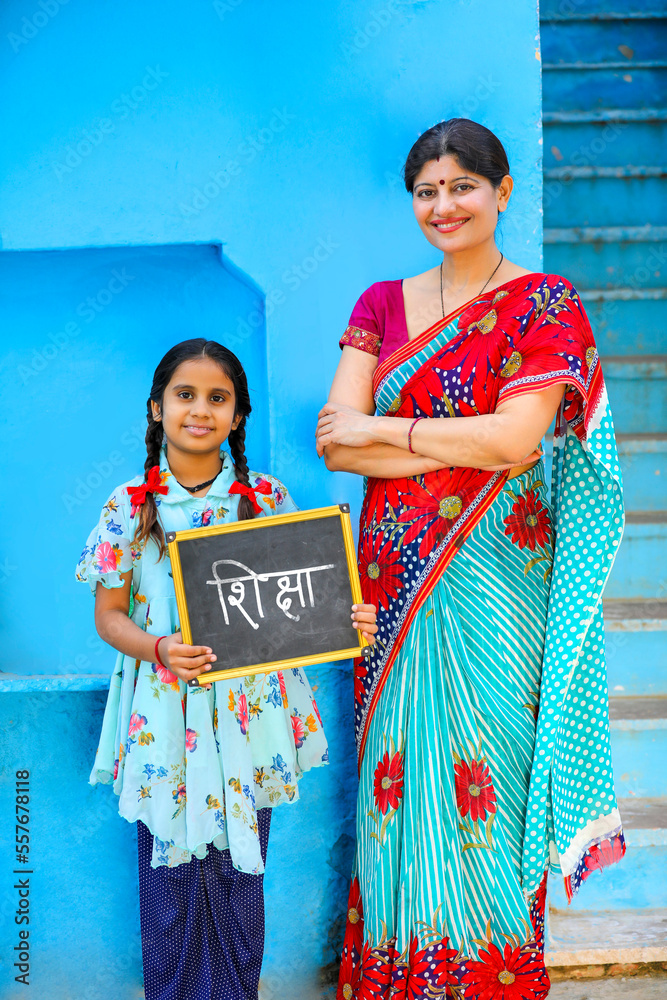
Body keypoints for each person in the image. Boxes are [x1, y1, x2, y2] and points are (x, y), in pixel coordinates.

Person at [316, 118, 625, 999]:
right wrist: (450, 442)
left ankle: (488, 981)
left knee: (484, 779)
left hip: (499, 581)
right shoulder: (379, 304)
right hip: (391, 577)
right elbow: (339, 446)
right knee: (396, 790)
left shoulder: (544, 301)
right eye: (426, 190)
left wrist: (387, 428)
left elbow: (520, 441)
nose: (443, 206)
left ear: (501, 193)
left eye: (461, 187)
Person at [75, 338, 377, 1000]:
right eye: (185, 396)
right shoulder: (128, 506)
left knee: (240, 878)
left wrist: (340, 621)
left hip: (250, 716)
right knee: (171, 883)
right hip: (164, 713)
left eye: (218, 398)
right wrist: (159, 649)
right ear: (156, 409)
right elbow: (110, 616)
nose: (200, 410)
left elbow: (298, 603)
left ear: (238, 416)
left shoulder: (266, 497)